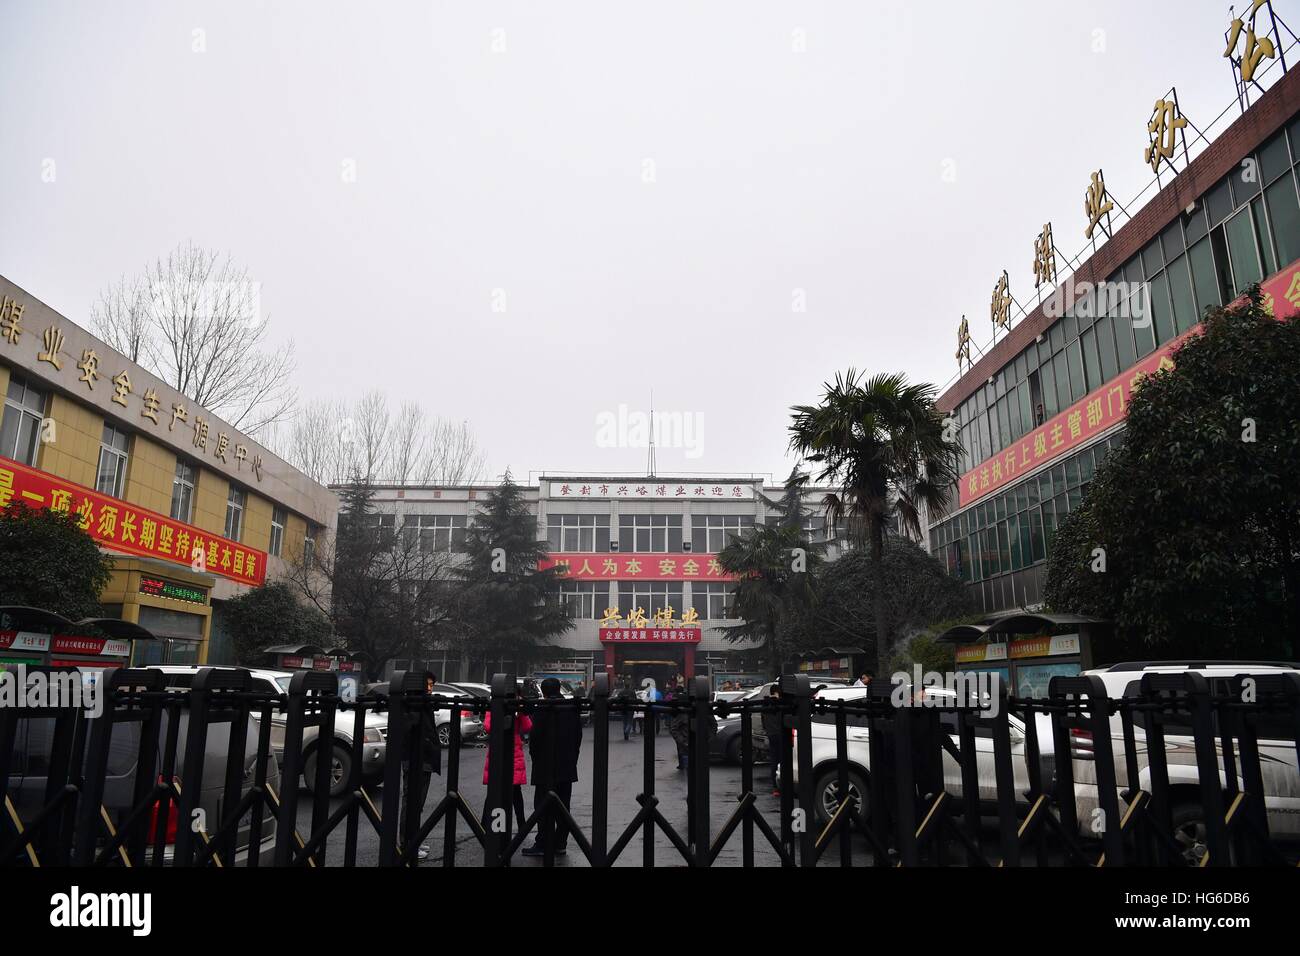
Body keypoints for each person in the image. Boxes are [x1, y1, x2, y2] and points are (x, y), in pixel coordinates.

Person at [522, 677, 582, 857]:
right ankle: (560, 843)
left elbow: (536, 736)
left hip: (545, 765)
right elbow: (577, 735)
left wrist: (535, 757)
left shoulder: (543, 708)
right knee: (564, 806)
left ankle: (542, 843)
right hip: (566, 764)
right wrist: (573, 758)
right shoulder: (570, 708)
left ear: (544, 691)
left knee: (542, 805)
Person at [402, 674, 443, 862]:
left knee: (417, 804)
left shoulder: (423, 703)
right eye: (426, 684)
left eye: (432, 685)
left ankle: (414, 840)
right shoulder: (412, 704)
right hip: (415, 760)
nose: (430, 688)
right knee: (412, 802)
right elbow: (409, 730)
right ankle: (407, 844)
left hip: (424, 759)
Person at [481, 700, 531, 837]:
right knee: (493, 791)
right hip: (498, 748)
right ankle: (485, 825)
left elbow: (527, 727)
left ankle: (522, 824)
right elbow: (488, 726)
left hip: (515, 751)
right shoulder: (495, 705)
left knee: (515, 791)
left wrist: (521, 714)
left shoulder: (519, 710)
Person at [761, 684, 785, 797]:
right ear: (777, 692)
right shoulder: (780, 703)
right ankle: (783, 785)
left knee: (774, 761)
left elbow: (763, 721)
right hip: (780, 734)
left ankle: (775, 788)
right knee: (783, 760)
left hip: (771, 734)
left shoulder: (765, 703)